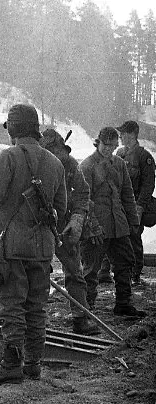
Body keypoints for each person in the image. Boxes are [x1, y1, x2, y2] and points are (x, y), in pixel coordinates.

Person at [0, 104, 67, 386]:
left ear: (13, 127)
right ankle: (33, 364)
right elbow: (61, 207)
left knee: (10, 304)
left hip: (11, 245)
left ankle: (11, 364)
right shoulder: (55, 163)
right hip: (43, 248)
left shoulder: (9, 157)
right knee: (37, 305)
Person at [79, 127, 147, 318]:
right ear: (98, 143)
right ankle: (86, 309)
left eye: (113, 146)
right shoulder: (87, 166)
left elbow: (127, 193)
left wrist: (133, 222)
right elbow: (84, 200)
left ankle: (123, 303)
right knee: (91, 269)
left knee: (125, 262)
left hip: (118, 224)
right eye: (105, 145)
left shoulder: (119, 164)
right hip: (96, 228)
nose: (109, 149)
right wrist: (92, 226)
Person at [38, 129, 100, 336]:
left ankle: (80, 318)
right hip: (41, 224)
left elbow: (83, 192)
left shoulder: (70, 164)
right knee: (38, 271)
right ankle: (36, 318)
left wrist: (77, 219)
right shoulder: (35, 163)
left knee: (74, 272)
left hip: (65, 227)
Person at [115, 120, 155, 286]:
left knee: (134, 237)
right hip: (119, 204)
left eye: (123, 133)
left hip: (135, 204)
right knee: (119, 238)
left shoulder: (144, 156)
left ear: (131, 134)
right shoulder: (119, 154)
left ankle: (135, 273)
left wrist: (139, 206)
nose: (121, 136)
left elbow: (148, 185)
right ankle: (121, 272)